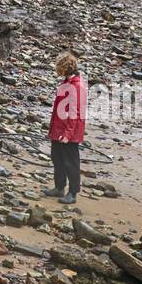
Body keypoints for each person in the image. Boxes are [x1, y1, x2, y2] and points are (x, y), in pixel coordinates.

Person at [42, 52, 86, 204]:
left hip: (70, 132)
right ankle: (59, 187)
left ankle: (73, 193)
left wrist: (68, 134)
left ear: (66, 69)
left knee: (71, 162)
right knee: (57, 158)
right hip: (58, 128)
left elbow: (75, 113)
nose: (57, 72)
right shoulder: (66, 83)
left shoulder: (77, 86)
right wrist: (53, 130)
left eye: (59, 69)